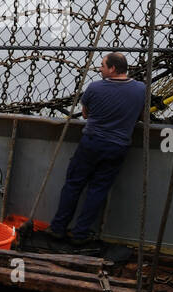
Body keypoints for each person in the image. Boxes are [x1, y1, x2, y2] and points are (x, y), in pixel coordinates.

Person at [48, 52, 147, 244]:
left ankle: (58, 228)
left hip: (92, 143)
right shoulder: (141, 89)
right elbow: (140, 115)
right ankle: (80, 234)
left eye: (103, 66)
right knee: (98, 190)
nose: (100, 69)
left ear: (112, 69)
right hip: (118, 147)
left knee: (74, 184)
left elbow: (85, 114)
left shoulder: (95, 87)